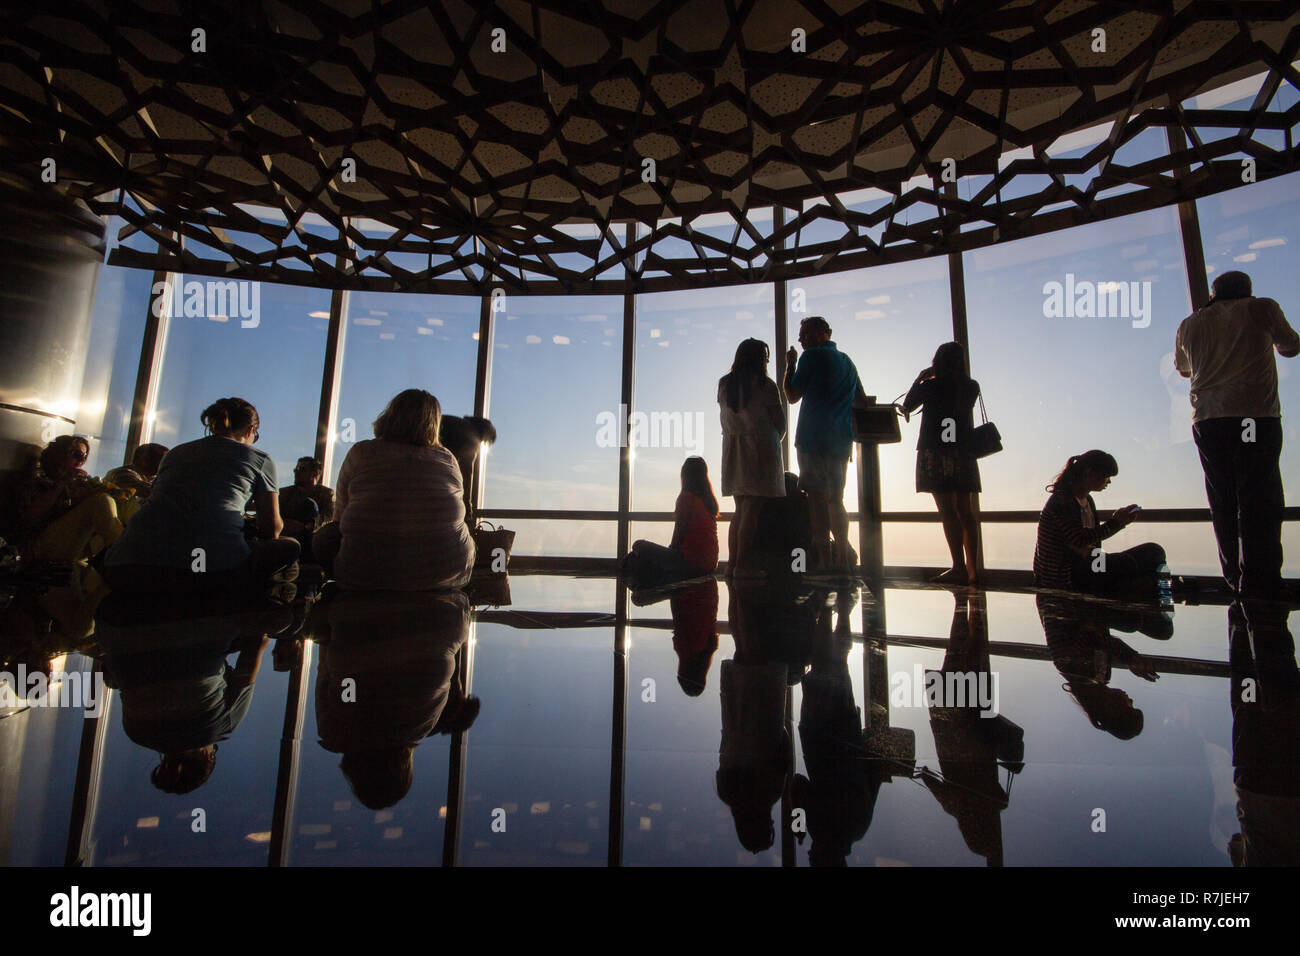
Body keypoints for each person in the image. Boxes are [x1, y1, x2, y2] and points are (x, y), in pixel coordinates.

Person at [1174, 270, 1299, 600]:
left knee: (1223, 498)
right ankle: (1263, 581)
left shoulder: (1190, 323)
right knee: (1260, 496)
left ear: (1214, 293)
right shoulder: (1262, 308)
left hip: (1208, 420)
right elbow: (1291, 347)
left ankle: (1236, 579)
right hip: (1253, 416)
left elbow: (1183, 368)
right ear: (1248, 290)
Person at [103, 397, 299, 597]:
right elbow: (271, 529)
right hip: (197, 570)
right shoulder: (260, 459)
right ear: (250, 430)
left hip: (126, 564)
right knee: (289, 546)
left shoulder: (175, 454)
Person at [324, 389, 475, 591]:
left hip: (364, 574)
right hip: (447, 572)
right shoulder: (447, 459)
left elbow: (340, 518)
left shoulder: (362, 452)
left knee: (324, 537)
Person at [783, 316, 867, 573]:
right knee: (836, 500)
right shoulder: (848, 362)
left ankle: (824, 561)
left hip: (812, 440)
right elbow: (862, 401)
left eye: (805, 334)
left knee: (817, 501)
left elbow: (791, 395)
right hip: (841, 442)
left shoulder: (811, 357)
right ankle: (842, 557)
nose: (800, 339)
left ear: (823, 333)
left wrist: (790, 365)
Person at [902, 342, 982, 584]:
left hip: (935, 452)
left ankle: (957, 566)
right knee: (966, 512)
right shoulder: (971, 387)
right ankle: (972, 570)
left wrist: (920, 378)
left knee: (948, 512)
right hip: (963, 452)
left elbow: (907, 405)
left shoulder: (931, 386)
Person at [1032, 450, 1166, 595]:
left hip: (1087, 565)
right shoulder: (1062, 501)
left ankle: (1154, 589)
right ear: (1090, 473)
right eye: (1106, 476)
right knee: (1126, 564)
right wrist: (1117, 523)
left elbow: (1090, 544)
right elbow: (1079, 539)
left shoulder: (1087, 501)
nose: (1109, 481)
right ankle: (1154, 591)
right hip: (1064, 575)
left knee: (1154, 551)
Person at [718, 338, 786, 576]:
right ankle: (744, 564)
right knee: (752, 509)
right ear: (760, 359)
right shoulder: (766, 385)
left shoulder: (724, 384)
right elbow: (780, 423)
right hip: (760, 449)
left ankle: (732, 564)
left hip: (733, 451)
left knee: (740, 509)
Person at [12, 435, 123, 563]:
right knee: (101, 500)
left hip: (69, 545)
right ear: (60, 454)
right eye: (77, 455)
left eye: (85, 457)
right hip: (38, 546)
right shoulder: (39, 477)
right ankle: (124, 553)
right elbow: (30, 516)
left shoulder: (72, 484)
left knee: (122, 502)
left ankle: (130, 551)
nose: (81, 461)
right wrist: (63, 483)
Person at [622, 456, 719, 587]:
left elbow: (678, 535)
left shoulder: (685, 498)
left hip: (689, 564)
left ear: (685, 475)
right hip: (710, 565)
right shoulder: (709, 501)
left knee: (638, 545)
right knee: (642, 559)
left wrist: (669, 553)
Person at [279, 456, 334, 561]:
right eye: (296, 469)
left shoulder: (326, 494)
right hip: (285, 534)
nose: (296, 472)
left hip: (311, 537)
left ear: (315, 474)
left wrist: (306, 526)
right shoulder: (285, 493)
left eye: (302, 470)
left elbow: (328, 517)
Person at [104, 443, 169, 500]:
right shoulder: (123, 474)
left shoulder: (141, 477)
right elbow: (150, 492)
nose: (166, 465)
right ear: (144, 460)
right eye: (162, 460)